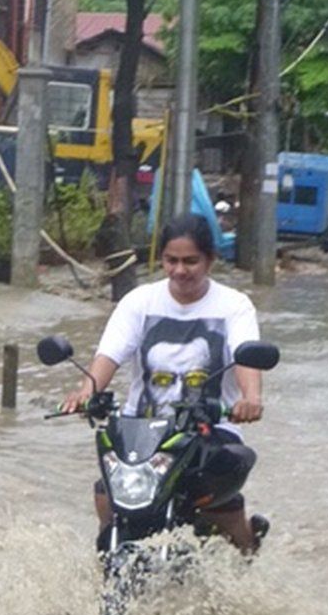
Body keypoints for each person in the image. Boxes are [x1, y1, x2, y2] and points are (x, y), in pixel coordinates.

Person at [62, 212, 267, 553]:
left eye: (191, 261)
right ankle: (108, 552)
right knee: (105, 496)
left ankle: (247, 547)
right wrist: (86, 393)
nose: (180, 270)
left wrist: (251, 398)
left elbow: (245, 355)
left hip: (209, 428)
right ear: (161, 260)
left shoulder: (234, 305)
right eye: (171, 261)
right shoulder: (139, 301)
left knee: (222, 511)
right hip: (141, 430)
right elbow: (110, 354)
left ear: (210, 260)